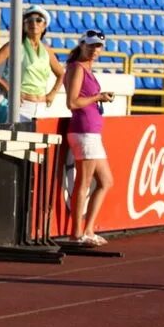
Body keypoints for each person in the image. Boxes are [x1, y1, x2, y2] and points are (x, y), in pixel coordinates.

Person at [64, 30, 115, 247]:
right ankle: (77, 233)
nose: (95, 50)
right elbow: (73, 102)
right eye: (91, 46)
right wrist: (98, 97)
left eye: (98, 47)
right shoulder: (77, 68)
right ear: (83, 45)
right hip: (83, 131)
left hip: (91, 132)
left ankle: (88, 229)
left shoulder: (86, 69)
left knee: (106, 181)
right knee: (83, 183)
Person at [0, 4, 65, 123]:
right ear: (24, 25)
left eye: (38, 20)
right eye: (29, 20)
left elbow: (61, 74)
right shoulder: (15, 45)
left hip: (41, 107)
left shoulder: (47, 50)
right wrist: (7, 87)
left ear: (44, 25)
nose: (33, 23)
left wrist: (52, 93)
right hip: (20, 105)